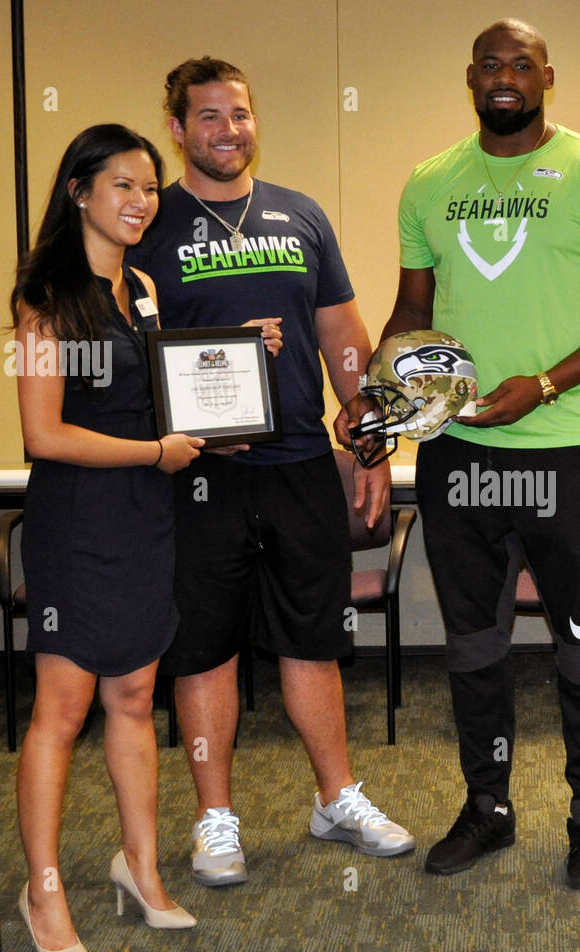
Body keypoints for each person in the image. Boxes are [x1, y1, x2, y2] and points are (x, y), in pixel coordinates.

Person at [380, 19, 580, 890]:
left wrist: (544, 384)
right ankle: (490, 810)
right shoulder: (430, 182)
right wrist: (372, 395)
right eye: (489, 64)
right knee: (473, 648)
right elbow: (413, 312)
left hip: (568, 453)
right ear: (468, 76)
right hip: (458, 453)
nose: (505, 77)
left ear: (548, 76)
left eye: (522, 64)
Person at [127, 57, 413, 886]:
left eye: (241, 114)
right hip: (196, 477)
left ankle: (337, 797)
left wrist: (370, 439)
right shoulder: (149, 226)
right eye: (209, 117)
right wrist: (223, 358)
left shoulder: (300, 217)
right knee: (205, 647)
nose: (229, 131)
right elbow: (125, 353)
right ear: (178, 129)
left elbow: (345, 338)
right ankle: (216, 818)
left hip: (295, 465)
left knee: (312, 639)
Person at [11, 124, 207, 952]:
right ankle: (42, 887)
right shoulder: (42, 301)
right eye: (123, 184)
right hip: (76, 520)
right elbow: (43, 433)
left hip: (143, 516)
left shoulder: (147, 288)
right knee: (60, 710)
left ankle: (142, 866)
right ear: (79, 191)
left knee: (133, 697)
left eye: (151, 187)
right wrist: (153, 454)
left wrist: (228, 377)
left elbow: (162, 404)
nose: (140, 201)